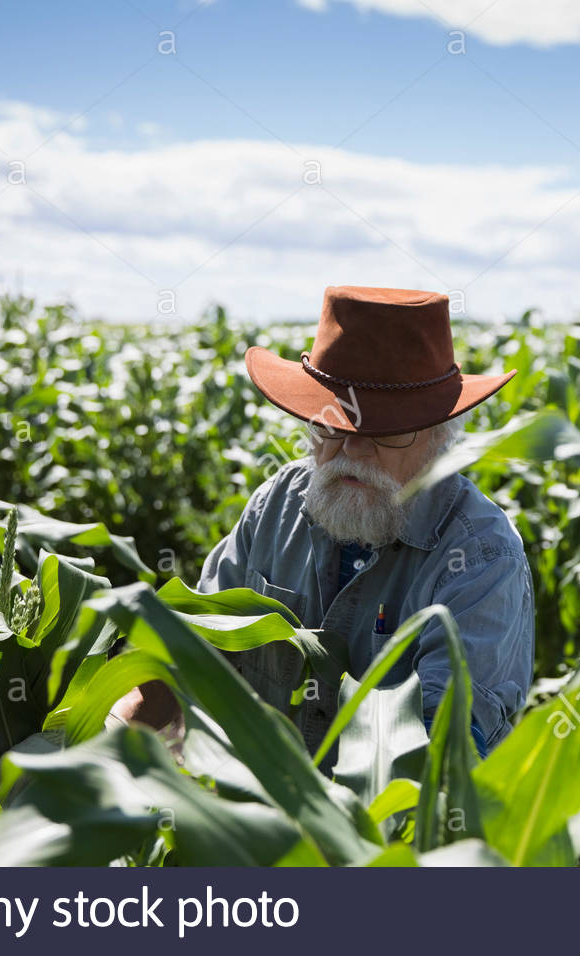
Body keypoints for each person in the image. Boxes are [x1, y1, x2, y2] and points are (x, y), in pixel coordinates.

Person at [111, 285, 535, 768]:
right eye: (334, 425)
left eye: (390, 429)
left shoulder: (481, 557)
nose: (353, 449)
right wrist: (106, 744)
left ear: (441, 439)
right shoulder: (277, 505)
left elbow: (442, 760)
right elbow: (190, 649)